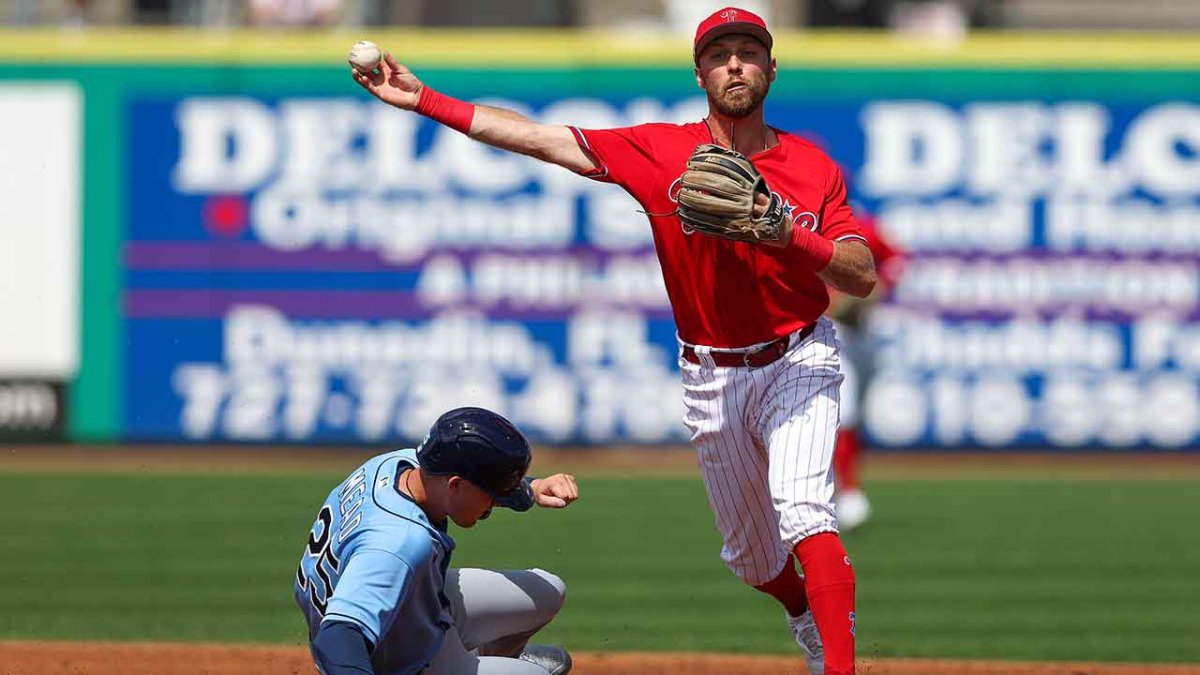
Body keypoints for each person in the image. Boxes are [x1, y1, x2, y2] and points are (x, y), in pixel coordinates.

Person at [351, 7, 877, 674]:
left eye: (749, 51)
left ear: (771, 68)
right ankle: (804, 611)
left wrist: (788, 235)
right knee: (751, 560)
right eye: (720, 54)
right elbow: (540, 139)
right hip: (712, 374)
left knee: (805, 513)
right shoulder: (660, 150)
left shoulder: (811, 166)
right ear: (700, 73)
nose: (735, 64)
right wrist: (425, 100)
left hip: (798, 354)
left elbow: (860, 274)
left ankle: (838, 664)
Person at [294, 406, 580, 675]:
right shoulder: (400, 543)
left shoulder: (399, 464)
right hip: (393, 656)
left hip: (405, 607)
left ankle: (485, 659)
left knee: (549, 591)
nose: (493, 503)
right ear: (456, 484)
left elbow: (472, 481)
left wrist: (533, 488)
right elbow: (337, 637)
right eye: (492, 494)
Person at [827, 213, 907, 530]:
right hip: (829, 330)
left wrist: (881, 285)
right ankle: (849, 492)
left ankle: (843, 487)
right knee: (843, 414)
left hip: (864, 332)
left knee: (855, 416)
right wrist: (834, 299)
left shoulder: (864, 227)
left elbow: (898, 260)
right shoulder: (802, 224)